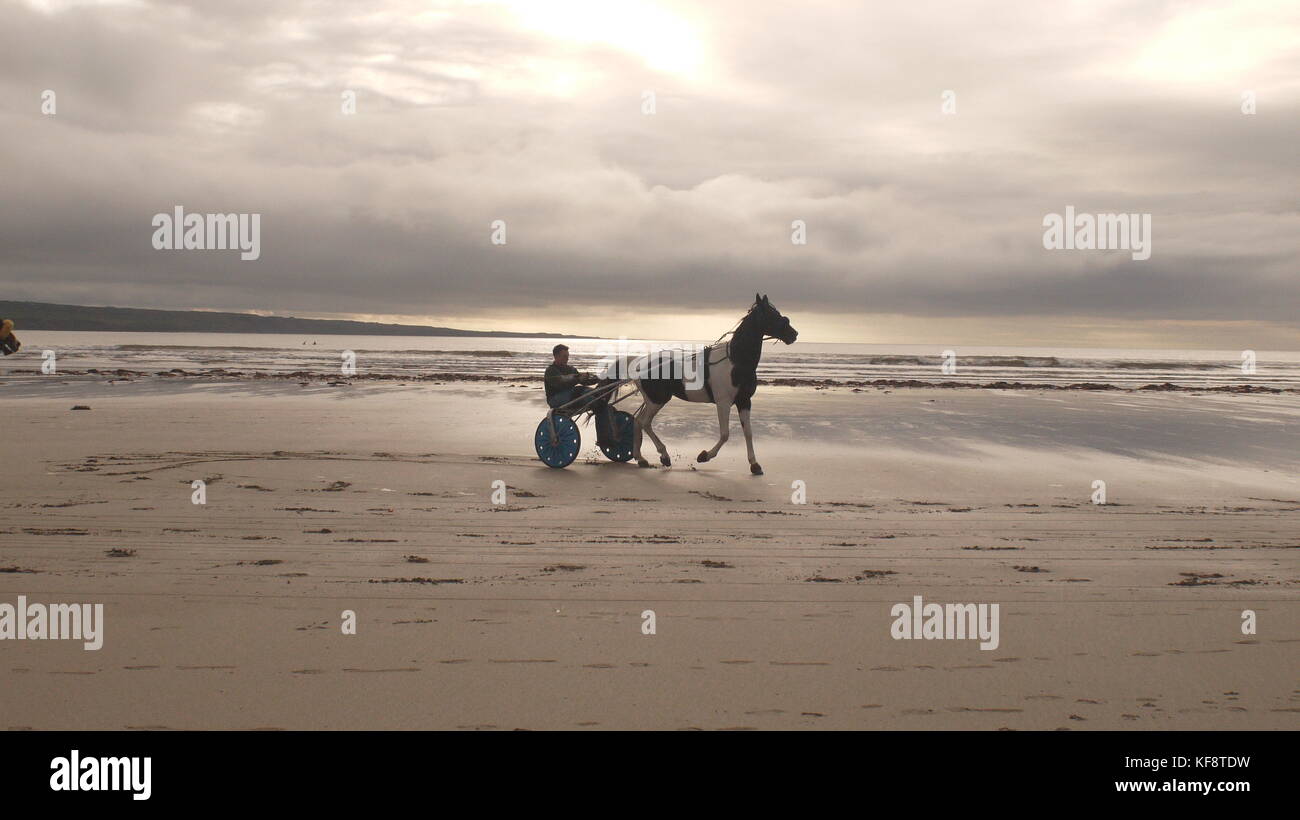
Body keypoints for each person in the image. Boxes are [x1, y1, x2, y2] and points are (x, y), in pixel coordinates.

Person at [544, 344, 614, 446]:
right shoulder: (550, 371)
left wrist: (600, 378)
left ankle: (605, 436)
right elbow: (561, 382)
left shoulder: (571, 369)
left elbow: (585, 382)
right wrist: (578, 378)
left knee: (597, 398)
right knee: (580, 390)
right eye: (564, 356)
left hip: (571, 396)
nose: (567, 359)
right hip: (556, 399)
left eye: (568, 356)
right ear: (556, 356)